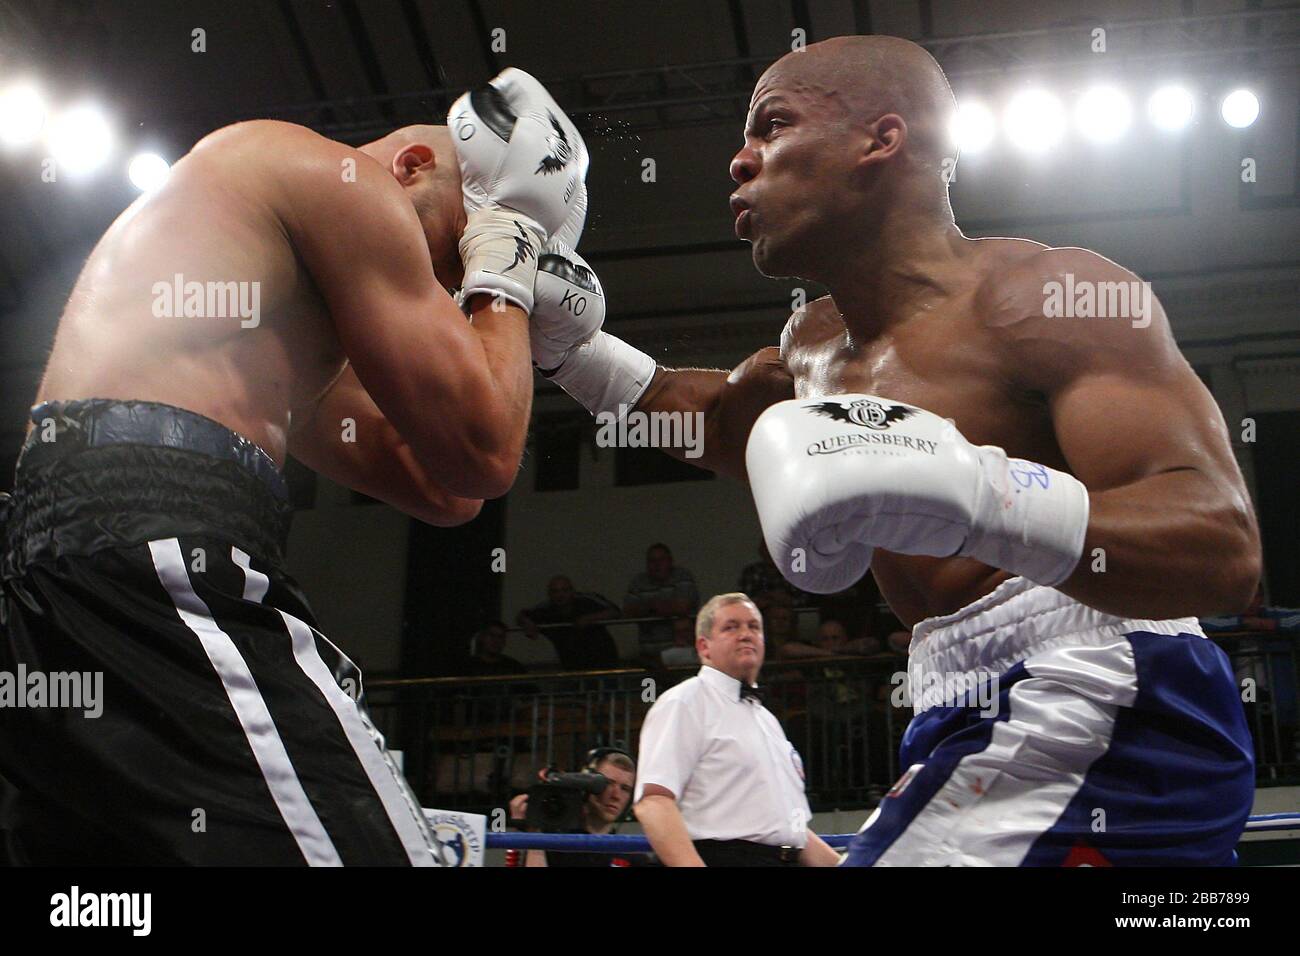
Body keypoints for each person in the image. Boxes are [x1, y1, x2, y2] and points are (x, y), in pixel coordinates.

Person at [534, 36, 1260, 865]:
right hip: (959, 695)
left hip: (1102, 681)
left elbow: (1220, 545)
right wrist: (565, 344)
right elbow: (723, 422)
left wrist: (984, 496)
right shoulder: (813, 345)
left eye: (772, 126)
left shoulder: (1048, 298)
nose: (739, 161)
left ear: (881, 142)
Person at [0, 69, 593, 865]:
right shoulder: (330, 178)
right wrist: (505, 285)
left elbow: (448, 489)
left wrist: (503, 306)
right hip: (155, 530)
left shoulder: (273, 310)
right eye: (462, 242)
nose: (448, 284)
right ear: (414, 165)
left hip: (77, 553)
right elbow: (485, 449)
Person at [633, 593, 840, 866]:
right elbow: (654, 801)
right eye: (731, 627)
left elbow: (789, 830)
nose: (745, 634)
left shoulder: (767, 720)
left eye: (754, 627)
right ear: (704, 647)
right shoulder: (685, 702)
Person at [508, 748, 645, 867]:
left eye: (625, 789)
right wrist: (532, 832)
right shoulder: (553, 844)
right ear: (586, 783)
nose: (616, 795)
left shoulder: (633, 856)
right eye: (607, 783)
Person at [517, 575, 620, 670]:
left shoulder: (587, 600)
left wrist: (590, 618)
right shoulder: (546, 608)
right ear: (549, 594)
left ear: (572, 591)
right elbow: (522, 615)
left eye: (564, 590)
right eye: (555, 591)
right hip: (572, 665)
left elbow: (615, 611)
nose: (560, 595)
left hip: (604, 661)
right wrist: (527, 622)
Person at [623, 543, 700, 653]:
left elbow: (683, 607)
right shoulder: (638, 582)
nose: (657, 564)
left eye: (661, 560)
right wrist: (656, 607)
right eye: (652, 561)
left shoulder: (682, 577)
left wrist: (646, 608)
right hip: (649, 651)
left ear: (670, 561)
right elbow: (628, 611)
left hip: (680, 651)